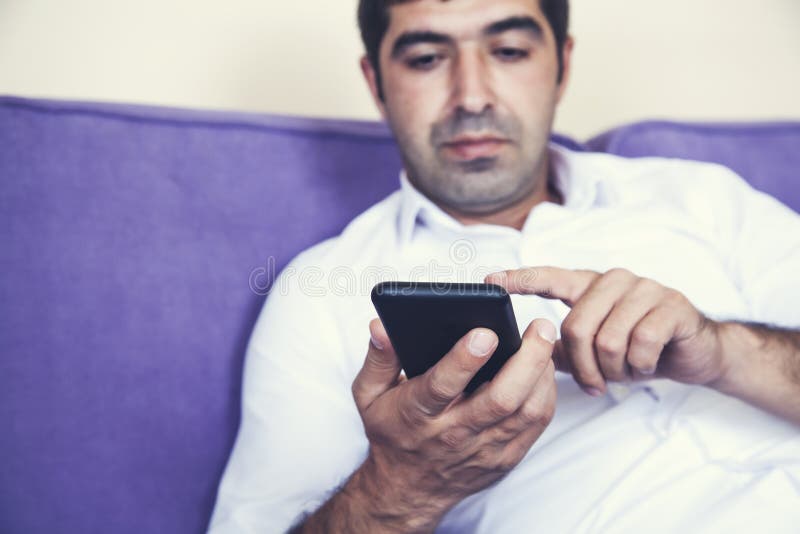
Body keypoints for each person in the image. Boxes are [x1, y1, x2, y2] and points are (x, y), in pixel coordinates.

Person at [208, 1, 800, 532]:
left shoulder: (703, 197)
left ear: (562, 64)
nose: (472, 96)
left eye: (510, 50)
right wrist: (401, 488)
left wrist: (725, 351)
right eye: (424, 58)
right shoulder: (318, 291)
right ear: (376, 83)